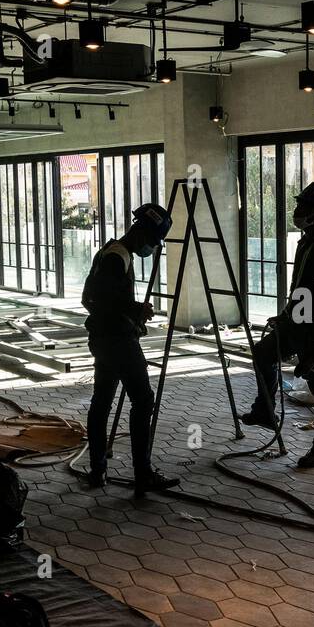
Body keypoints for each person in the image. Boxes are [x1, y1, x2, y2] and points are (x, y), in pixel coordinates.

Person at [241, 181, 314, 468]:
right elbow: (300, 289)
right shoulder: (307, 243)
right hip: (296, 323)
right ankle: (265, 411)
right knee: (263, 354)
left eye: (303, 207)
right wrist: (285, 316)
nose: (297, 211)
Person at [82, 203, 180, 496]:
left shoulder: (111, 251)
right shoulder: (118, 257)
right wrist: (133, 310)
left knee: (101, 403)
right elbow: (99, 299)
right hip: (116, 342)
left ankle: (98, 470)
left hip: (104, 338)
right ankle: (142, 473)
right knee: (144, 400)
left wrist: (130, 316)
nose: (151, 247)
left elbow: (91, 298)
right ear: (142, 232)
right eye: (152, 241)